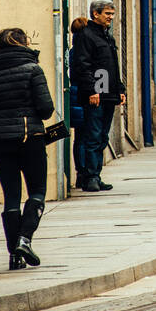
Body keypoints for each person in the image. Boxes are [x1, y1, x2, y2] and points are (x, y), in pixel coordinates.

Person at [0, 26, 54, 270]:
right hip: (29, 136)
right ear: (23, 44)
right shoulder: (33, 69)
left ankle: (15, 256)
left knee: (11, 196)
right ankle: (24, 239)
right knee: (37, 191)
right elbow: (46, 109)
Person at [70, 0, 125, 192]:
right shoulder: (86, 35)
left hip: (109, 93)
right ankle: (90, 177)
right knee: (92, 136)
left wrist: (120, 89)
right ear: (96, 13)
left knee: (102, 136)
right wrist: (92, 90)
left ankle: (95, 175)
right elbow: (82, 65)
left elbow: (112, 66)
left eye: (112, 14)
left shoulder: (106, 36)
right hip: (95, 95)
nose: (111, 17)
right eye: (107, 14)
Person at [68, 18, 89, 190]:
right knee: (86, 137)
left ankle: (80, 172)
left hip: (74, 94)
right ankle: (85, 172)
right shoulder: (85, 49)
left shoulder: (72, 50)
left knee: (80, 138)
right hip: (84, 94)